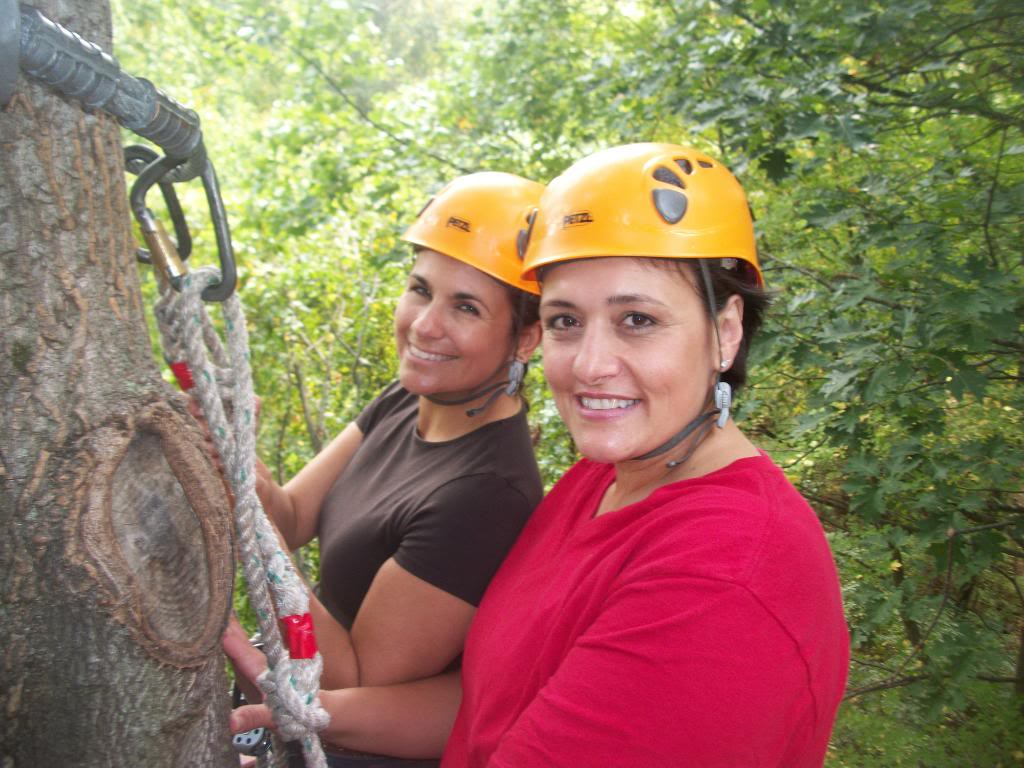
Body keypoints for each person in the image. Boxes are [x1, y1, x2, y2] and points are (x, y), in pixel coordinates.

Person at [232, 144, 849, 767]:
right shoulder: (601, 481)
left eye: (637, 318)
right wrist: (299, 709)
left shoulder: (724, 573)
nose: (588, 365)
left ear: (727, 331)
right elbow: (482, 702)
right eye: (565, 321)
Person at [226, 171, 546, 767]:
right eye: (421, 289)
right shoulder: (407, 399)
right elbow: (292, 516)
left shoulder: (485, 494)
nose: (425, 325)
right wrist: (231, 454)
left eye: (467, 307)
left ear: (525, 338)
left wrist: (241, 512)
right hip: (304, 720)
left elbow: (354, 675)